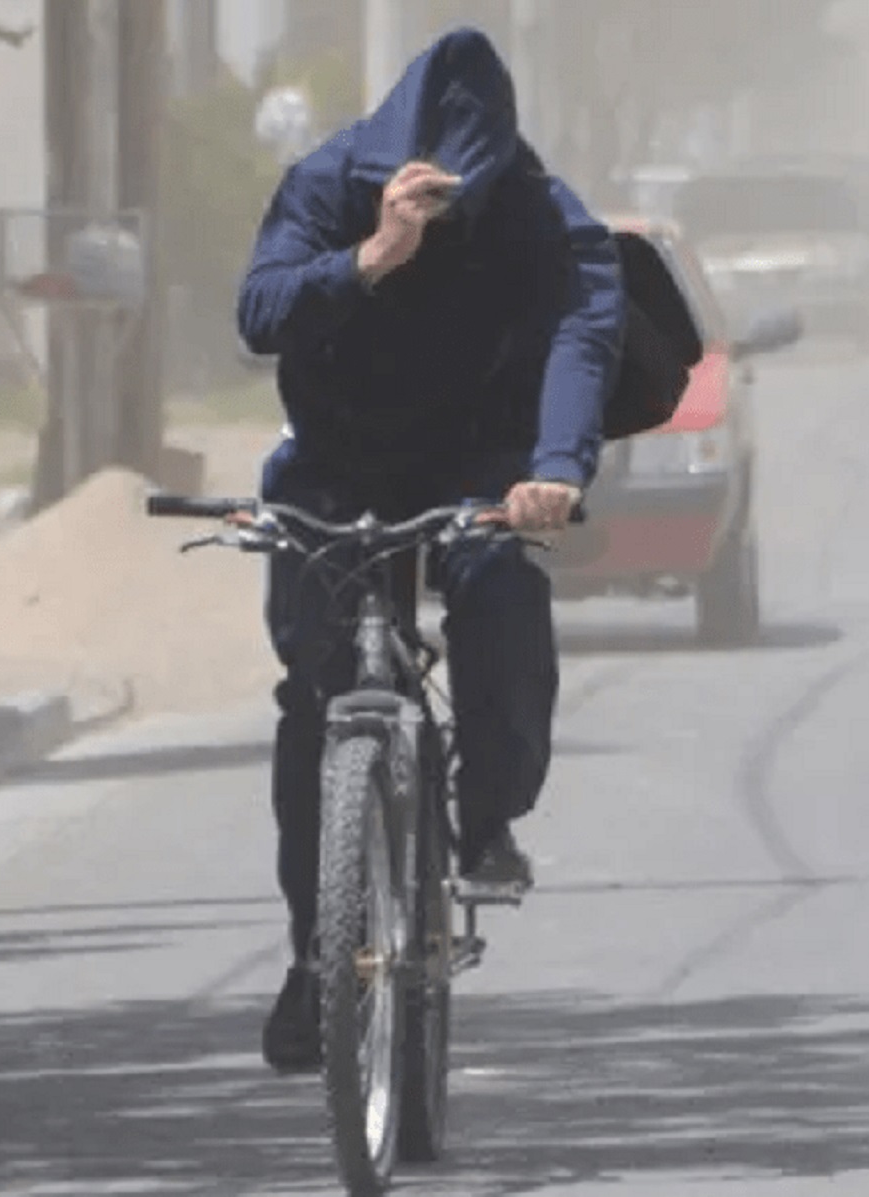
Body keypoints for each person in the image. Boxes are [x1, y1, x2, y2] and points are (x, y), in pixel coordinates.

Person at [236, 27, 625, 1072]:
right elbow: (258, 312)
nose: (443, 212)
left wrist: (554, 469)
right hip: (336, 458)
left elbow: (583, 333)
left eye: (461, 197)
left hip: (474, 461)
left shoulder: (537, 212)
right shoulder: (326, 184)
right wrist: (369, 257)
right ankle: (316, 955)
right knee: (312, 696)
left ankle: (486, 812)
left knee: (499, 590)